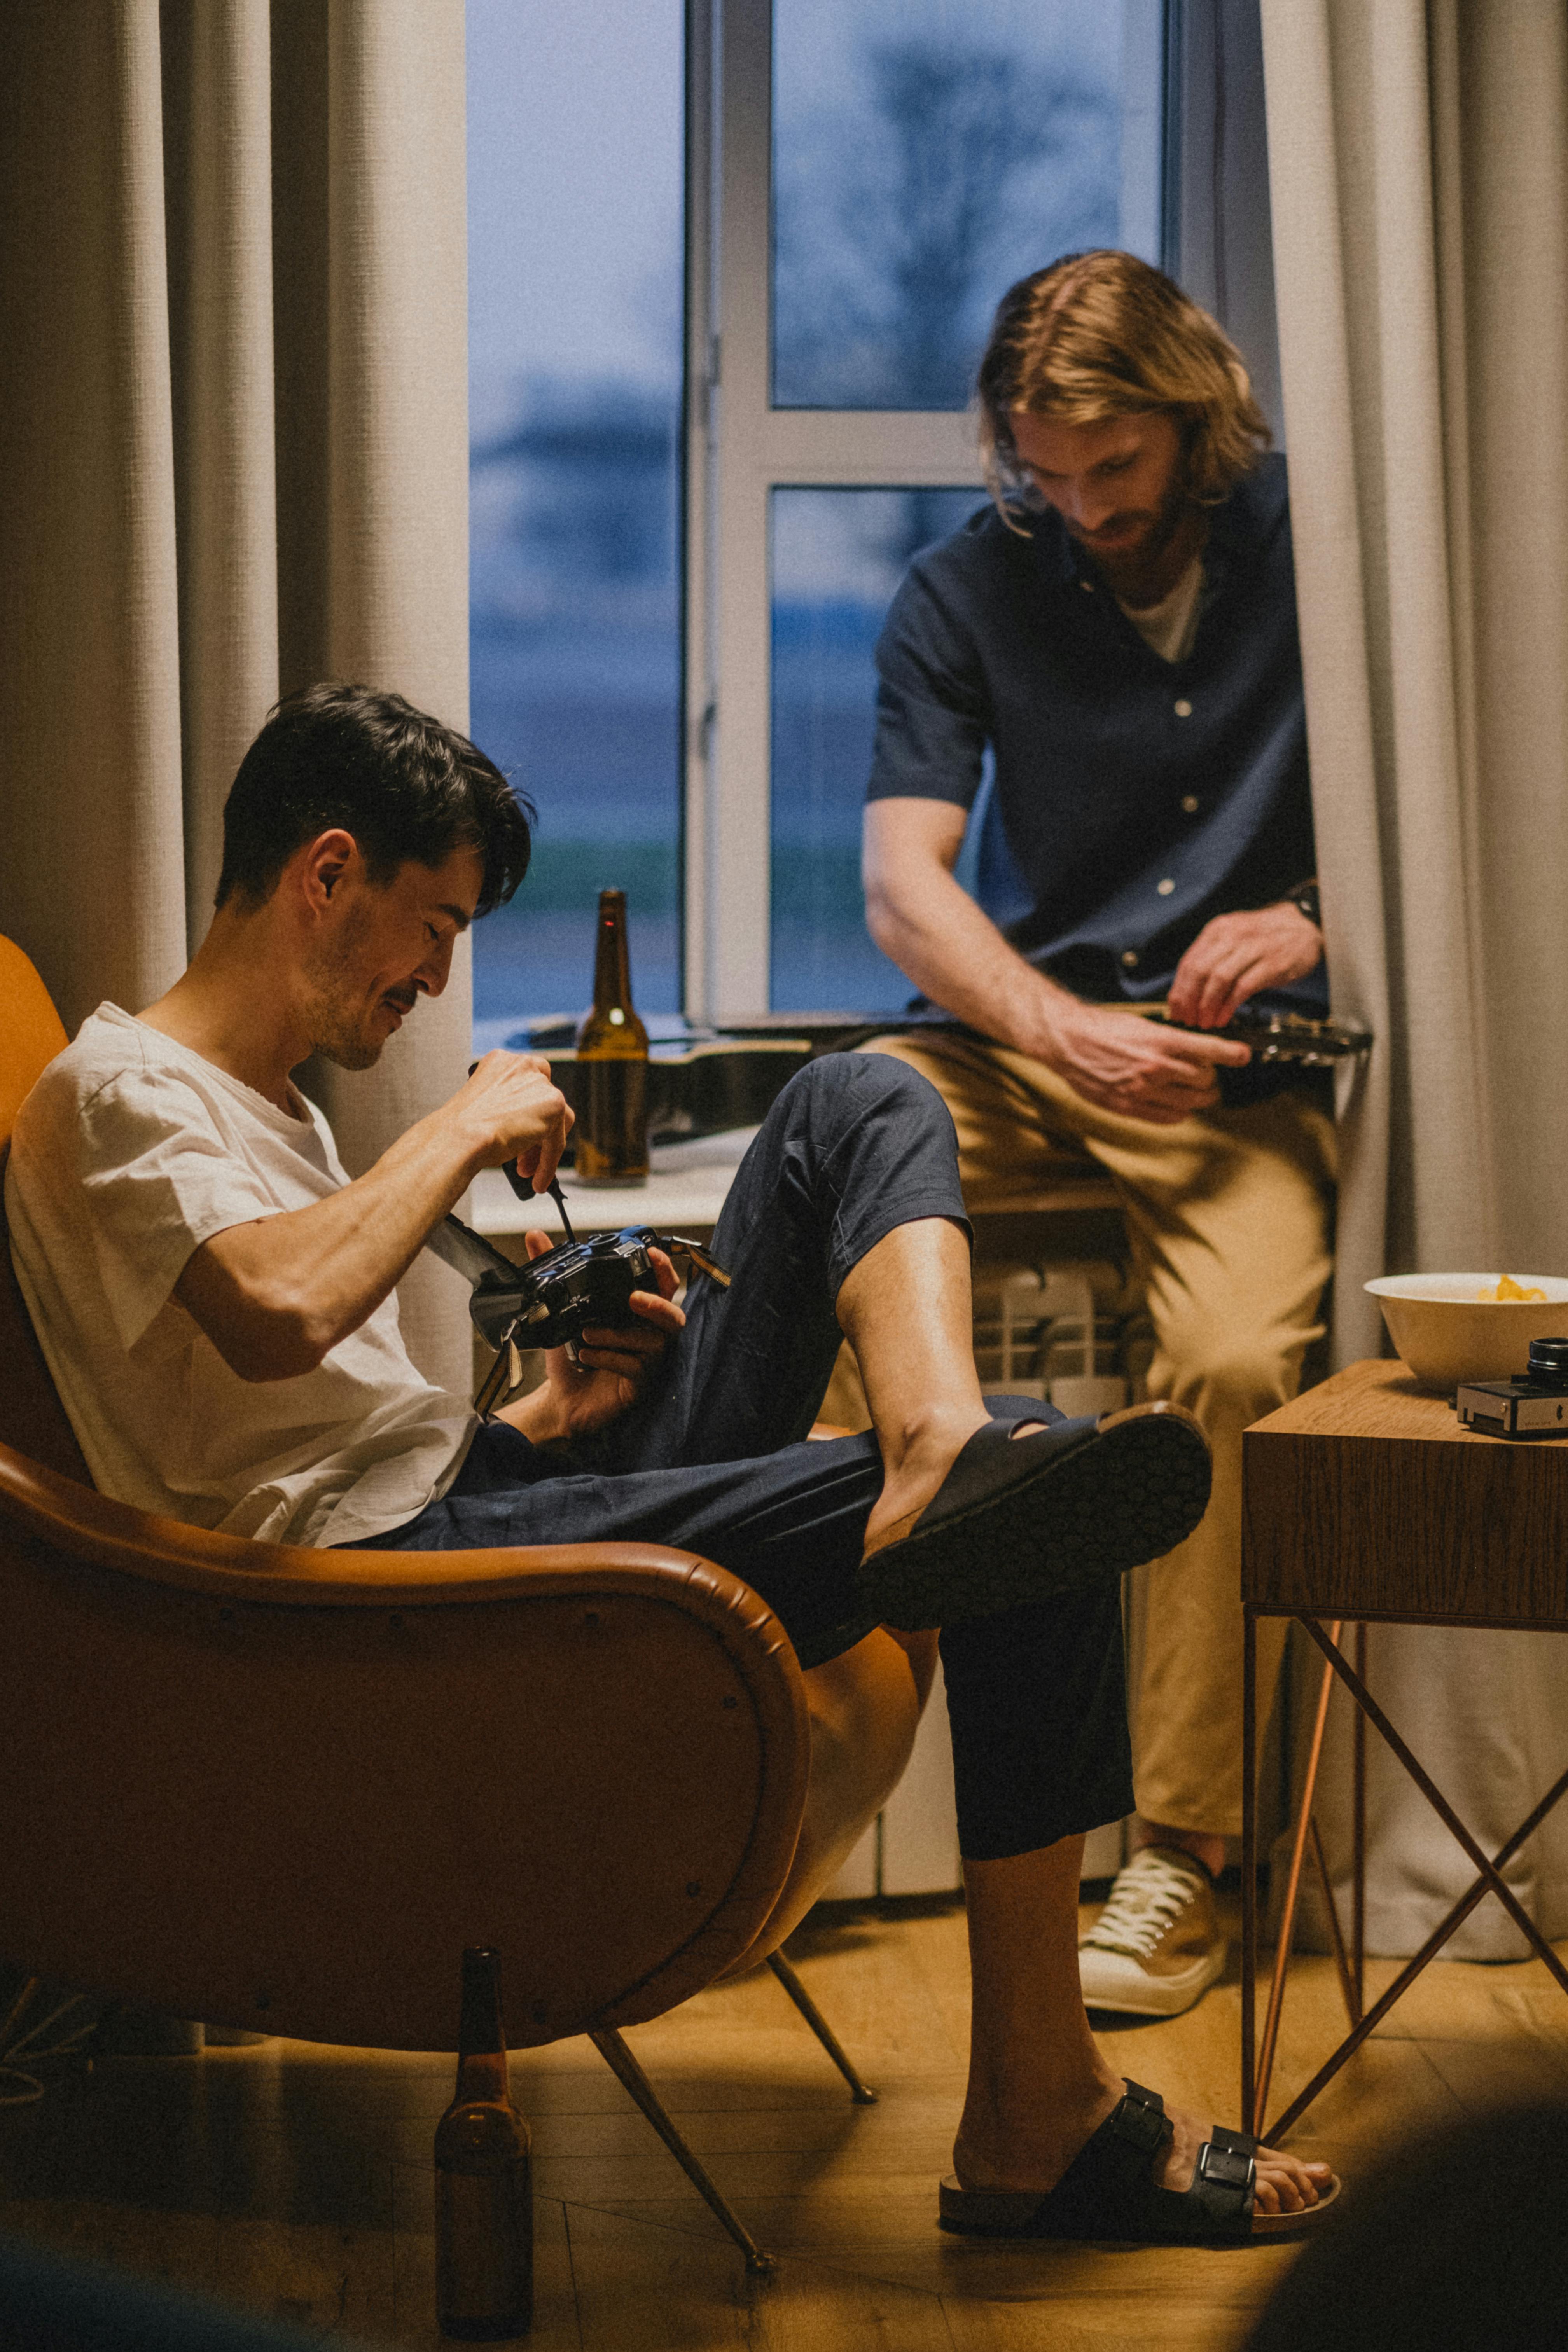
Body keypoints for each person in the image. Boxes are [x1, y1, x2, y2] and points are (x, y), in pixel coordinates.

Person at [5, 681, 1333, 2242]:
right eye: (435, 928)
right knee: (1043, 1490)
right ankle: (1038, 2106)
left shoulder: (266, 1105)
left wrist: (550, 1410)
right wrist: (461, 1123)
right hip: (366, 1603)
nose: (436, 980)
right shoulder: (115, 1091)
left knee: (862, 1096)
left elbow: (335, 1423)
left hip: (464, 1507)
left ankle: (934, 1444)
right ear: (328, 873)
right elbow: (277, 1314)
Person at [860, 250, 1335, 2020]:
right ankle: (785, 1748)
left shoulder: (1329, 545)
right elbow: (903, 888)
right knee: (831, 1148)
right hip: (1031, 1050)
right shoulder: (960, 587)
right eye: (1043, 471)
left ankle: (1182, 1859)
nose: (1081, 507)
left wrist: (1319, 916)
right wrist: (1058, 1028)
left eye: (1114, 467)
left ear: (1194, 420)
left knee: (1234, 1363)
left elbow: (1478, 790)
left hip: (1228, 1090)